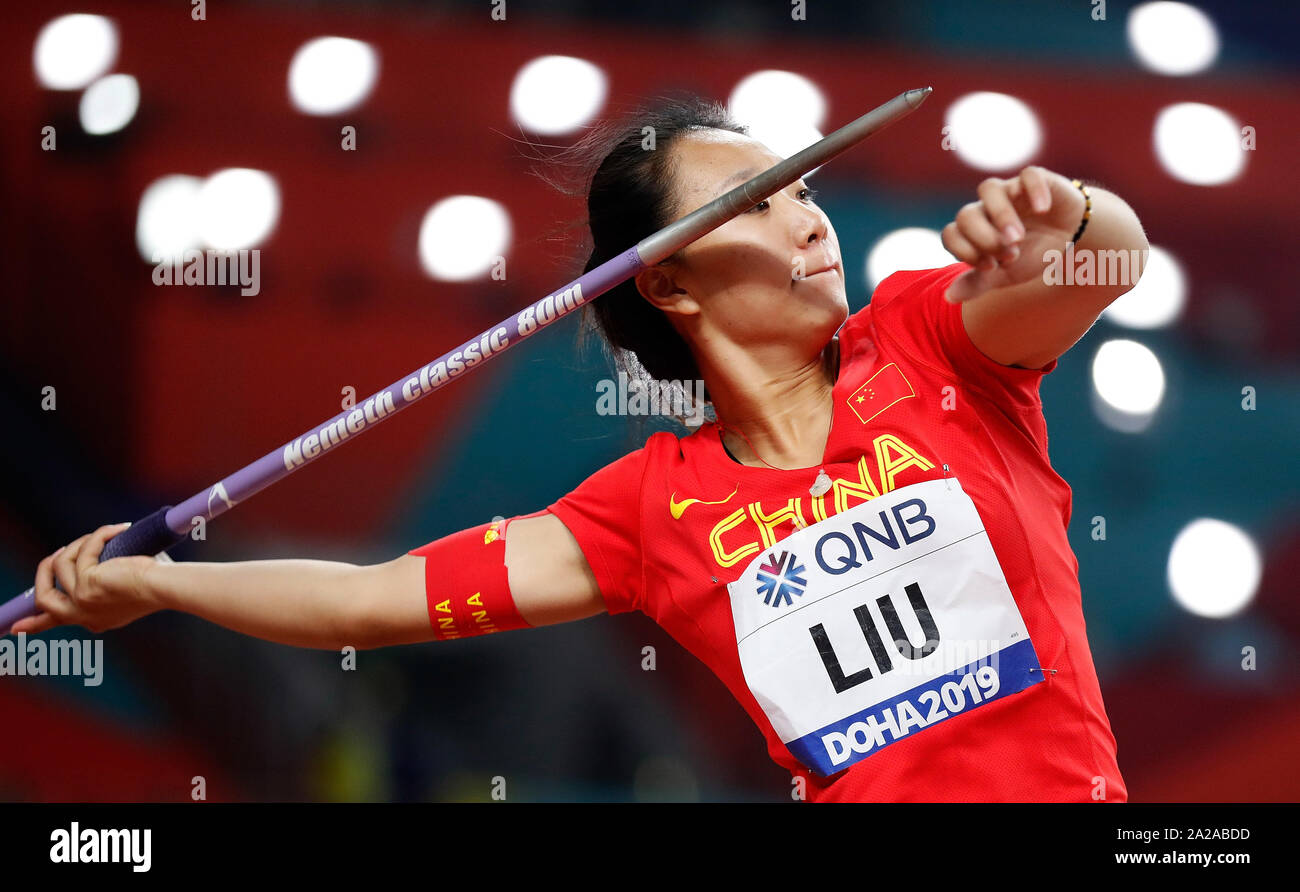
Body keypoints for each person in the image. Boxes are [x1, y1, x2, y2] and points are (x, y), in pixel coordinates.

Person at [12, 95, 1148, 802]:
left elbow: (1111, 264)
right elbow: (371, 601)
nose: (811, 219)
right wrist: (160, 582)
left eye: (806, 189)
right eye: (759, 203)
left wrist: (1073, 214)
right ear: (666, 280)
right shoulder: (651, 508)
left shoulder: (927, 341)